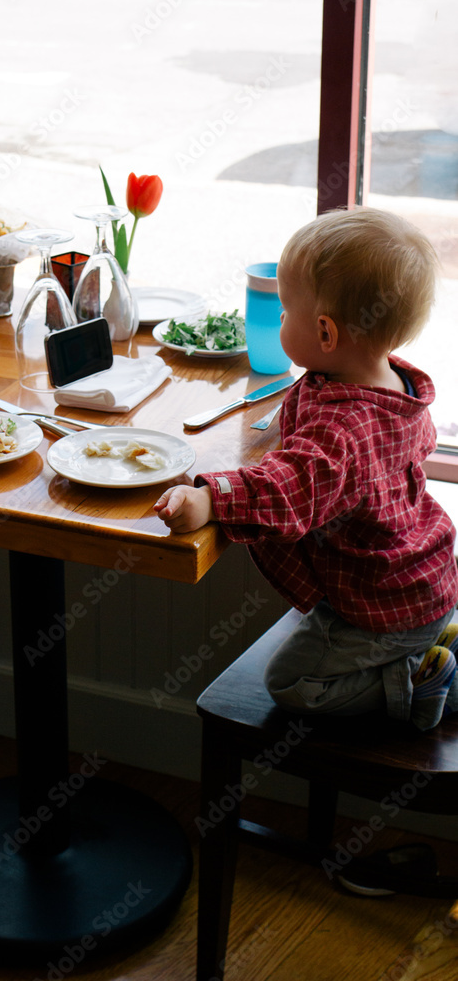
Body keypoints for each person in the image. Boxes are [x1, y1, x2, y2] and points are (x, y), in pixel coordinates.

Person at [154, 207, 458, 731]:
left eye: (284, 311)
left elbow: (292, 487)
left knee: (292, 684)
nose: (278, 321)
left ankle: (422, 683)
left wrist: (210, 497)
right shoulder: (394, 386)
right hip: (423, 578)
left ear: (324, 331)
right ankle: (430, 640)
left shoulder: (344, 432)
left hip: (380, 609)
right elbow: (320, 458)